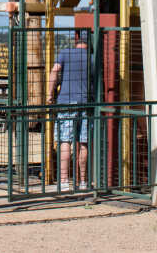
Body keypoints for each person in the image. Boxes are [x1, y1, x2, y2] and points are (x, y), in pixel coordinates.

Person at [48, 29, 90, 191]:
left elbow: (54, 71)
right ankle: (83, 181)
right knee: (83, 142)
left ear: (76, 39)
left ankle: (64, 181)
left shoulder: (65, 53)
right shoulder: (92, 58)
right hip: (85, 104)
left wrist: (50, 95)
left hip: (65, 102)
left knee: (65, 141)